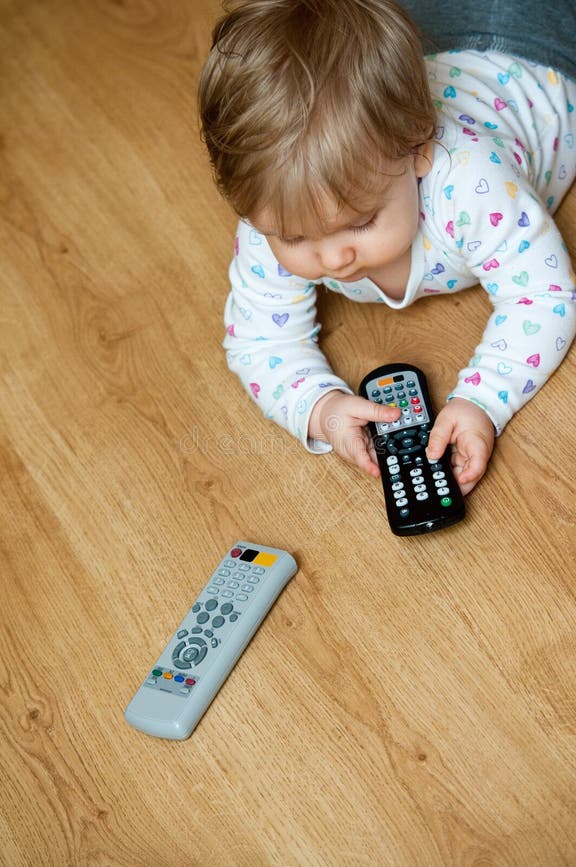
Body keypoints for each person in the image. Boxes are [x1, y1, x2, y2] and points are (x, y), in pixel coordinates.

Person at [198, 0, 576, 494]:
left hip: (536, 40)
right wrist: (320, 407)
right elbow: (258, 340)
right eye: (293, 238)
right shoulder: (272, 211)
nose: (333, 259)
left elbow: (544, 297)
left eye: (361, 222)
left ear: (419, 150)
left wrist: (484, 399)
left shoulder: (469, 182)